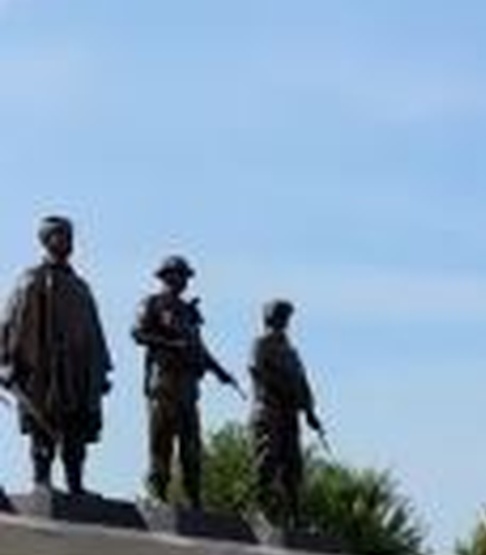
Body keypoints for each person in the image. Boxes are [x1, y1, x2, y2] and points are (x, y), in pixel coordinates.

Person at [0, 215, 112, 493]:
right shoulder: (33, 279)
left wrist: (100, 370)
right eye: (60, 235)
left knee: (76, 428)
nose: (67, 241)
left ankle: (76, 484)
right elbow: (12, 321)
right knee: (43, 425)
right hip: (45, 367)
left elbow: (94, 331)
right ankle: (42, 481)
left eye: (69, 235)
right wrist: (6, 360)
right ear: (46, 241)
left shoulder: (80, 286)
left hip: (78, 369)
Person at [132, 256, 238, 508]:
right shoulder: (152, 303)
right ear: (166, 276)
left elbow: (199, 348)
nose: (184, 280)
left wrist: (219, 371)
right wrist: (171, 344)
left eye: (186, 276)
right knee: (161, 442)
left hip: (188, 386)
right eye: (179, 275)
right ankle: (158, 494)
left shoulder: (189, 311)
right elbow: (137, 333)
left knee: (191, 445)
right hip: (163, 381)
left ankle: (194, 498)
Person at [248, 299, 323, 530]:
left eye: (285, 318)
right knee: (267, 461)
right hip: (268, 411)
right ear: (269, 319)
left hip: (289, 415)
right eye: (279, 317)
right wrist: (284, 390)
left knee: (293, 465)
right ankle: (263, 510)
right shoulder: (261, 344)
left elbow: (302, 382)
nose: (283, 322)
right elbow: (256, 370)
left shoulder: (291, 352)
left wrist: (309, 411)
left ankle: (295, 516)